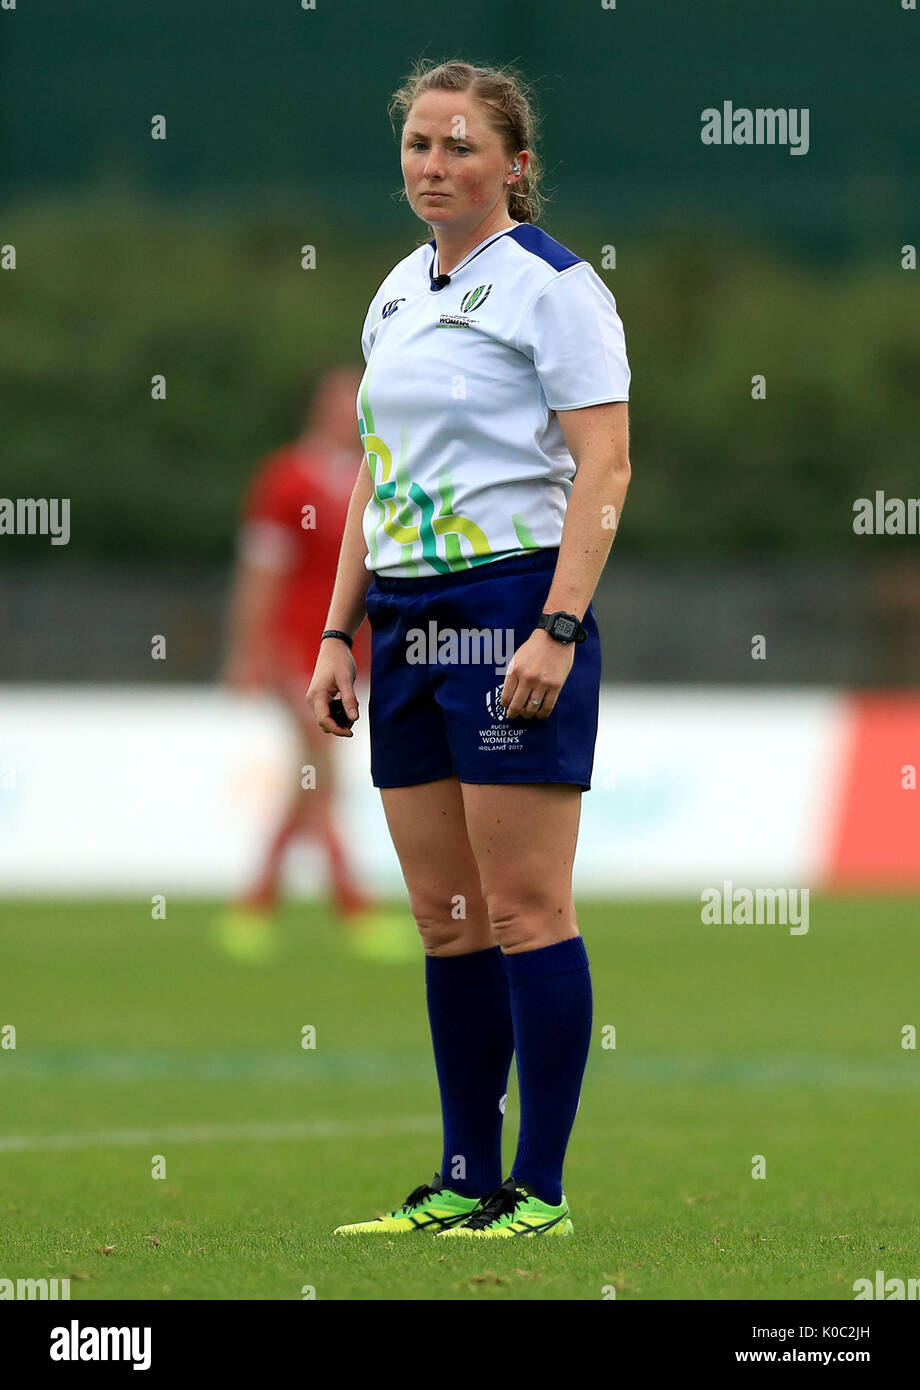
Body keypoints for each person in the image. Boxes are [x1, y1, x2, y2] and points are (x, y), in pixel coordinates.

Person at [308, 58, 632, 1236]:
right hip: (399, 617)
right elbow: (372, 482)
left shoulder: (554, 288)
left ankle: (536, 1191)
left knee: (525, 909)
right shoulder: (395, 291)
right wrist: (339, 628)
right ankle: (459, 1175)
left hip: (507, 605)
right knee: (445, 915)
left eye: (458, 147)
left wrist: (555, 621)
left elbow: (605, 466)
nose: (433, 167)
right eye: (417, 148)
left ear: (514, 163)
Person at [219, 367, 416, 963]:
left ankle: (257, 904)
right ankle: (350, 906)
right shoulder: (287, 477)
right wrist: (249, 652)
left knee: (313, 778)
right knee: (322, 772)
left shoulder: (384, 475)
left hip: (355, 657)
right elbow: (261, 570)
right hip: (294, 653)